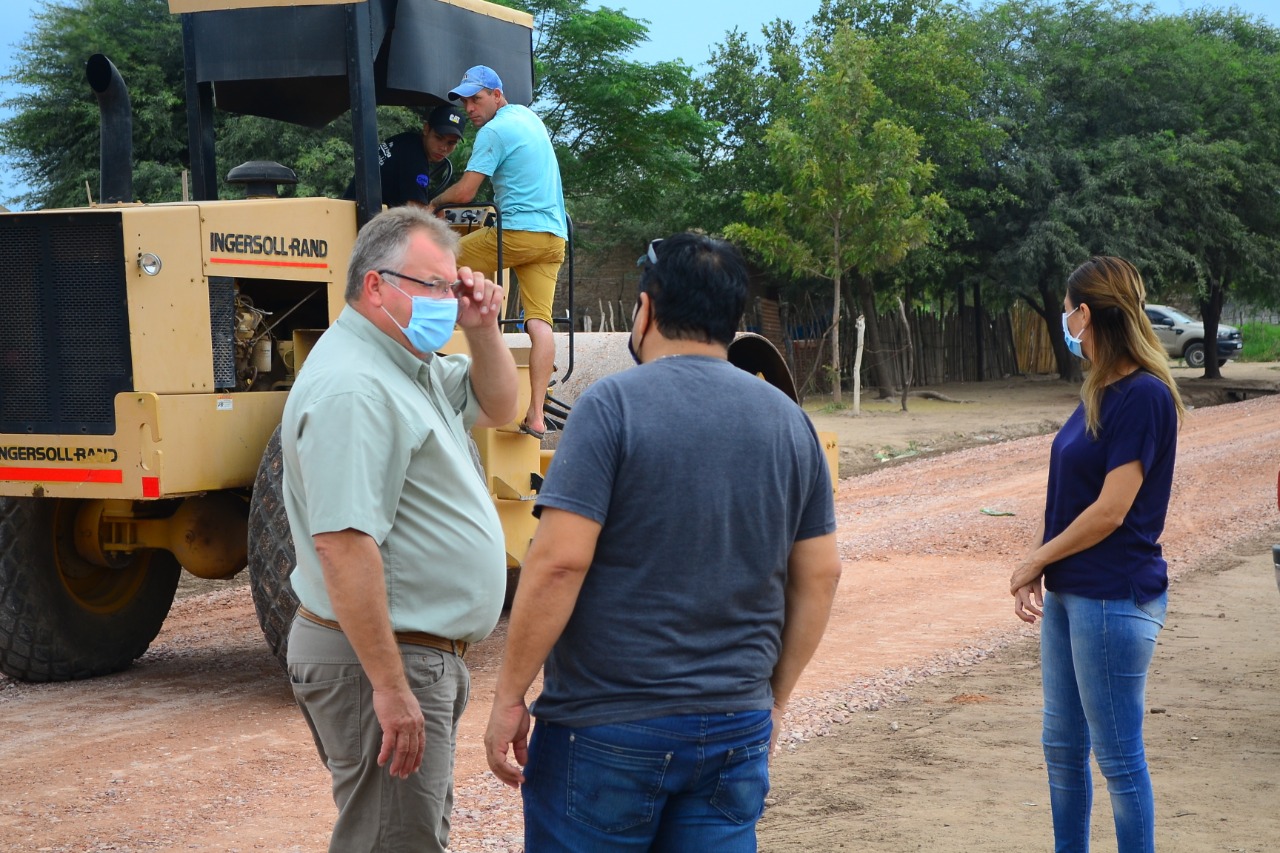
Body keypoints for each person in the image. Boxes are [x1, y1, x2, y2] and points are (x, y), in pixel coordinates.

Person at [483, 232, 843, 851]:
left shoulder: (611, 407)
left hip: (606, 728)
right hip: (735, 726)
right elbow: (822, 573)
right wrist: (774, 701)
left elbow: (559, 563)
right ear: (731, 318)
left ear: (646, 309)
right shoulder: (790, 421)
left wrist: (510, 695)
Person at [280, 205, 517, 853]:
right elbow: (342, 544)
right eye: (433, 285)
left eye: (453, 285)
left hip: (414, 653)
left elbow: (501, 405)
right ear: (375, 286)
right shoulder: (354, 388)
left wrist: (483, 328)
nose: (447, 300)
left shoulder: (407, 362)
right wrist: (389, 685)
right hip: (385, 659)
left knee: (409, 834)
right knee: (391, 841)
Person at [1010, 256, 1185, 853]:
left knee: (1118, 759)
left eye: (1066, 312)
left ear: (1084, 314)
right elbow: (1068, 495)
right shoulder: (1098, 392)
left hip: (1113, 597)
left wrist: (1035, 561)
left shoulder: (1143, 396)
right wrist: (1041, 560)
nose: (1063, 322)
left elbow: (1111, 510)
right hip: (1071, 594)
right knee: (1062, 750)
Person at [428, 64, 567, 440]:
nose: (470, 109)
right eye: (465, 102)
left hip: (518, 234)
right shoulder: (528, 118)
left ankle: (431, 357)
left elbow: (465, 193)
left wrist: (429, 207)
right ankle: (536, 415)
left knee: (435, 262)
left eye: (476, 99)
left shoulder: (494, 131)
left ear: (497, 95)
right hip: (554, 237)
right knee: (540, 323)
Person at [343, 104, 467, 208]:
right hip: (363, 220)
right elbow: (415, 211)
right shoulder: (415, 157)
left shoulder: (404, 142)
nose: (443, 148)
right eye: (439, 138)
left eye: (451, 143)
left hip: (351, 211)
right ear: (426, 129)